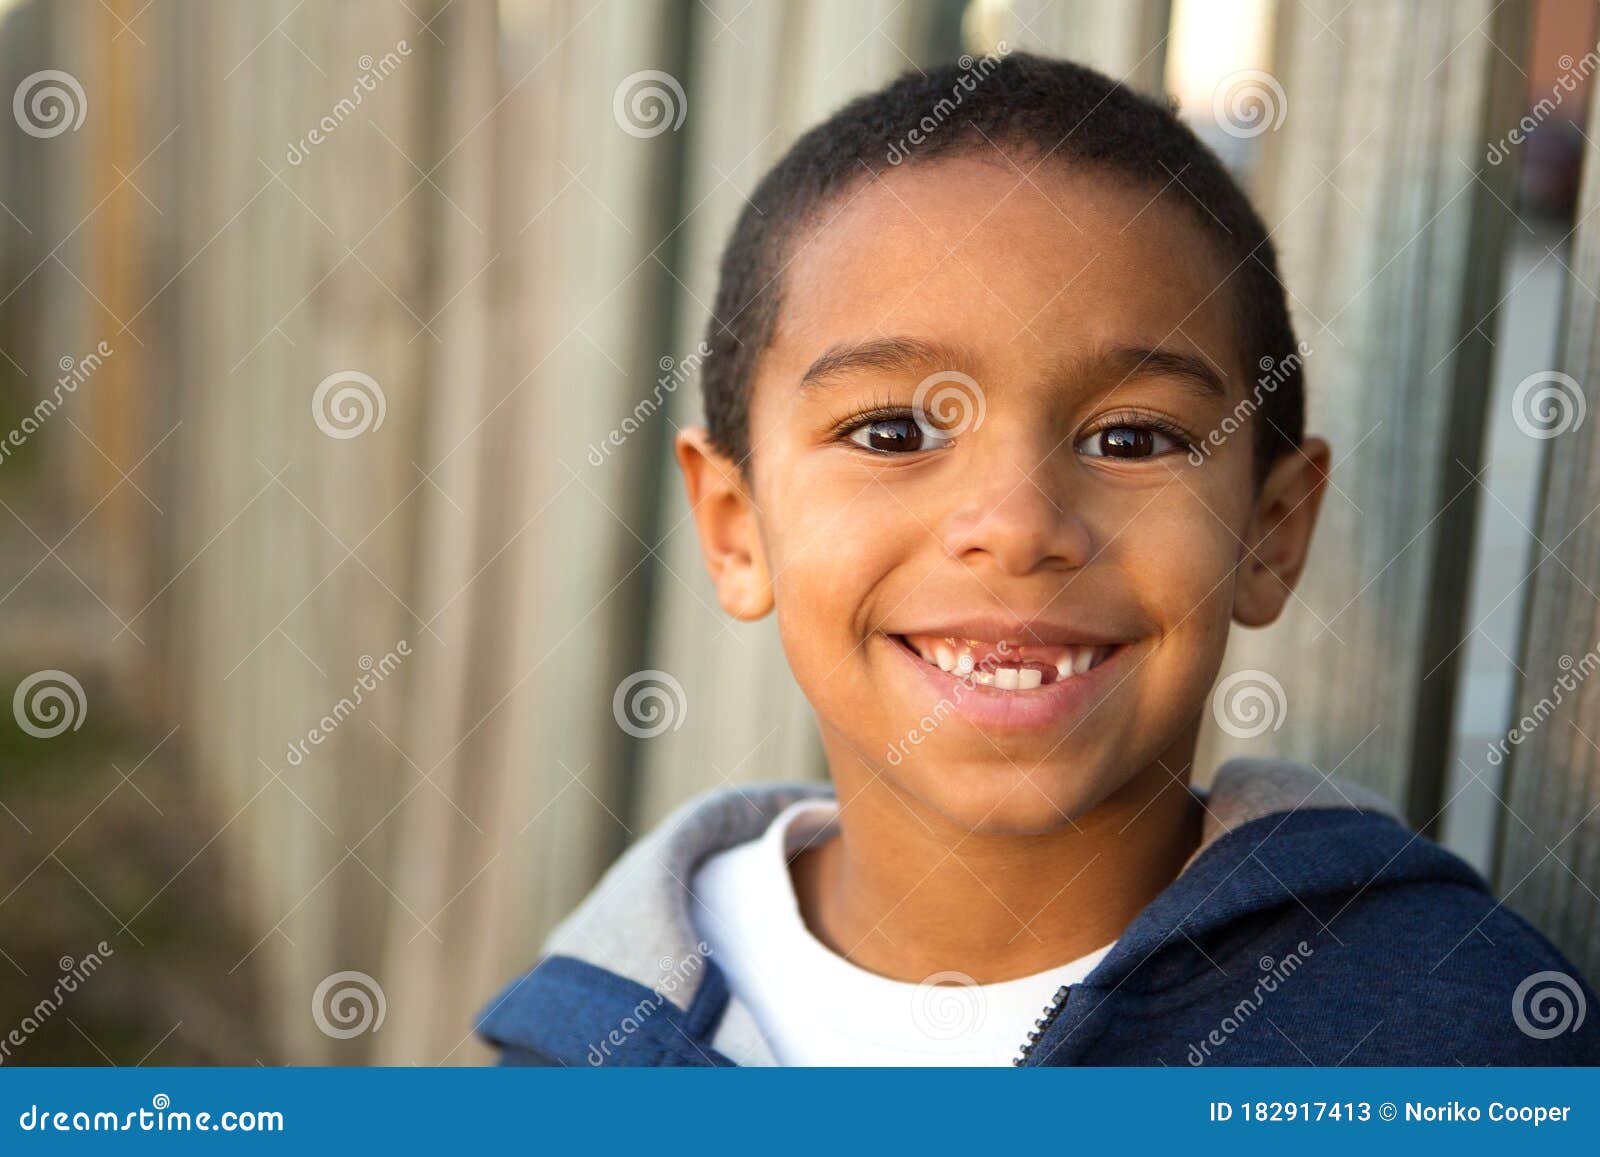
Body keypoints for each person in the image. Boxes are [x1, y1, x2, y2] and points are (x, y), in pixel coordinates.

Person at [478, 52, 1599, 1066]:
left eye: (1131, 439)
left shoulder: (1449, 1039)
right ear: (735, 526)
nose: (1016, 525)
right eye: (892, 432)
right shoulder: (581, 1047)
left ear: (1271, 529)